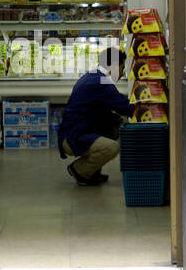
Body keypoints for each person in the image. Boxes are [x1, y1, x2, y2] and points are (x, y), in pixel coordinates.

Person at [58, 44, 135, 186]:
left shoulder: (92, 76)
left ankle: (93, 172)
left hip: (74, 131)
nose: (123, 73)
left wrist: (117, 118)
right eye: (122, 68)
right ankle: (80, 171)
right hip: (74, 136)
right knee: (112, 147)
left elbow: (98, 109)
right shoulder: (101, 81)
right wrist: (146, 106)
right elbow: (124, 106)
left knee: (116, 125)